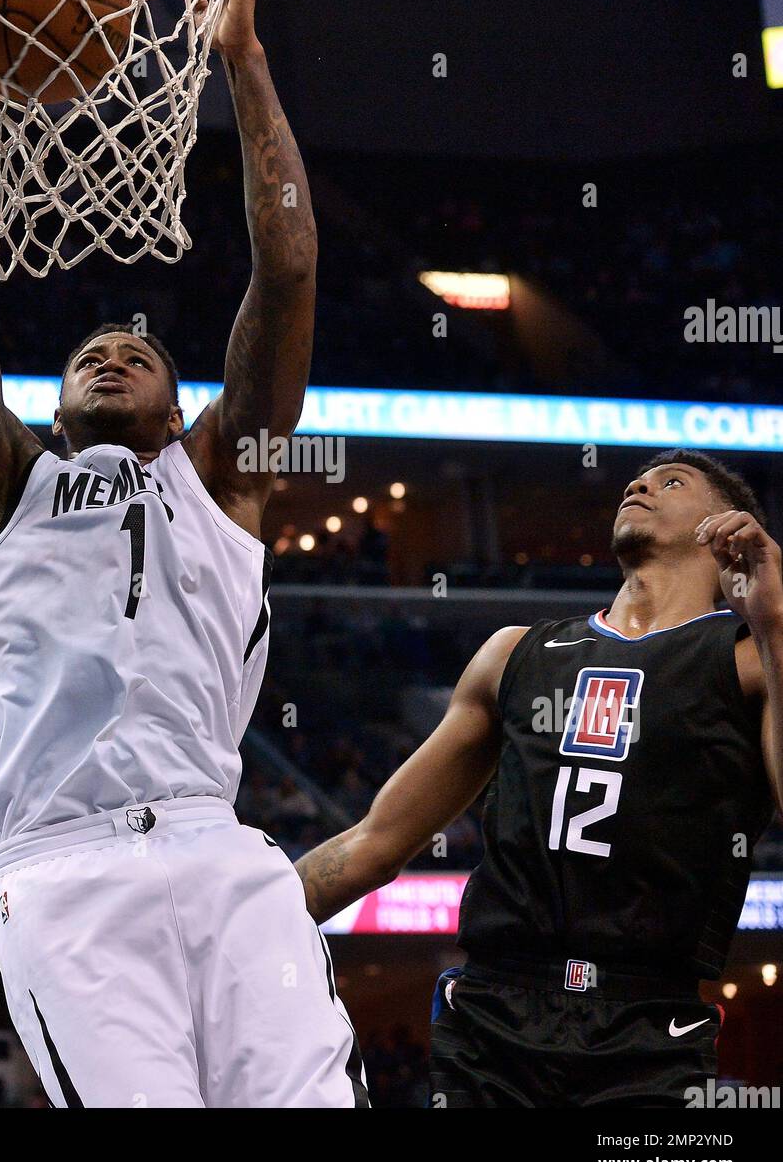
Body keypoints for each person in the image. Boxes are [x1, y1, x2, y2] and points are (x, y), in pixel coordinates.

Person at [0, 0, 366, 1109]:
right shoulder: (3, 483)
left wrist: (246, 59)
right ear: (52, 406)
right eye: (91, 354)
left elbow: (291, 265)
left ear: (179, 401)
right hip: (66, 869)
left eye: (140, 352)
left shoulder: (223, 476)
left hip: (219, 850)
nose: (114, 353)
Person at [295, 450, 782, 1107]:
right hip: (494, 1015)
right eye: (641, 477)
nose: (640, 484)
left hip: (646, 1025)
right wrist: (228, 929)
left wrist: (775, 625)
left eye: (673, 482)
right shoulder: (513, 652)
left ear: (726, 527)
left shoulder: (753, 660)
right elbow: (375, 842)